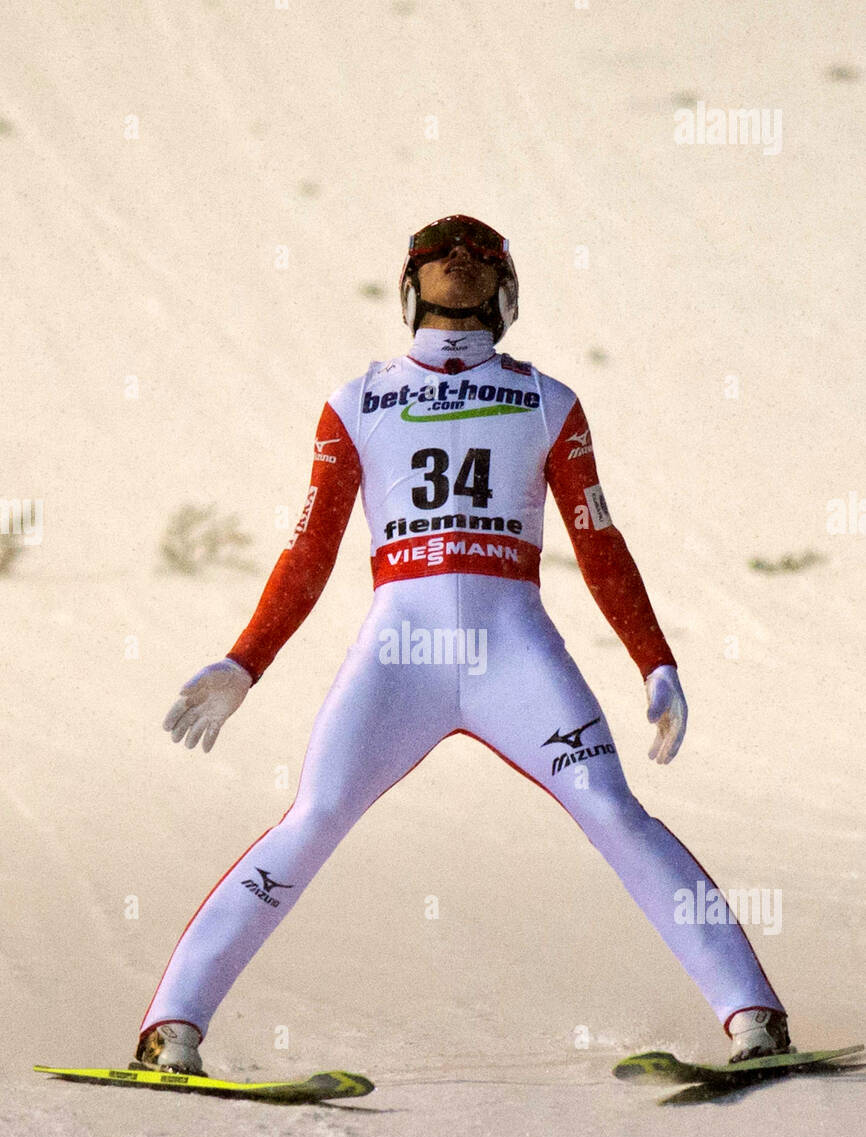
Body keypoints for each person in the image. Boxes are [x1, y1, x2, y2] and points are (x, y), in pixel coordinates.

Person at [136, 214, 791, 1076]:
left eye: (481, 253)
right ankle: (170, 1029)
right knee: (314, 818)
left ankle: (754, 1020)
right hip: (397, 657)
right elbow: (309, 550)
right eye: (439, 251)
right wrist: (244, 661)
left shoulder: (550, 400)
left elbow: (598, 539)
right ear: (408, 286)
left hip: (514, 650)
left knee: (614, 811)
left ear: (506, 290)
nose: (459, 257)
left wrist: (655, 659)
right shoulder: (354, 401)